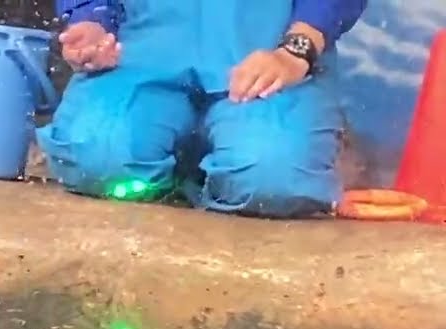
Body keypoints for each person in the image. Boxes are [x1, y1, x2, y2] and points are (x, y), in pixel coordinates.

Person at [37, 0, 369, 219]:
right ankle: (175, 166)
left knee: (271, 182)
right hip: (140, 54)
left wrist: (297, 50)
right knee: (100, 162)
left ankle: (223, 165)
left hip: (265, 57)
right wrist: (90, 20)